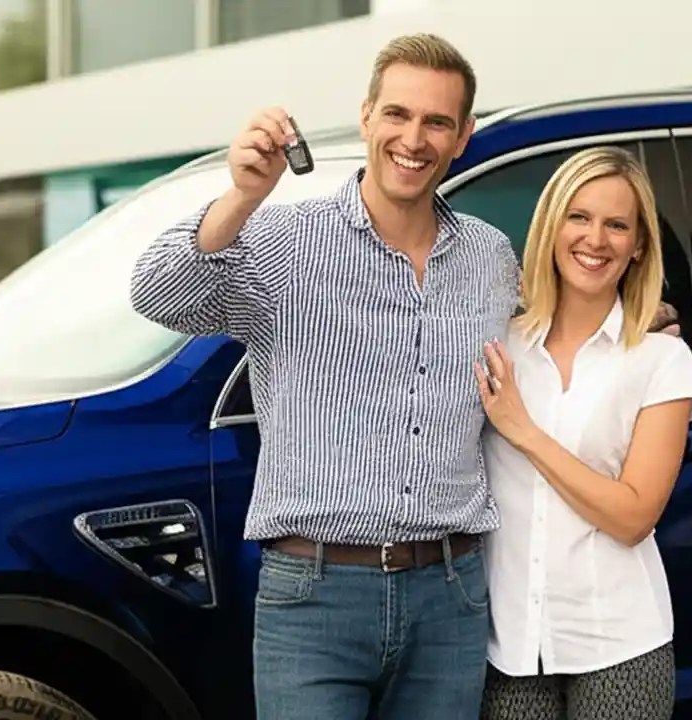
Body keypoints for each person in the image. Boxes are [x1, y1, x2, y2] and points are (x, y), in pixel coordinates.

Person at [130, 33, 514, 719]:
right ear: (366, 117)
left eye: (436, 122)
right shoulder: (285, 240)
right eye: (397, 114)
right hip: (314, 597)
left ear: (463, 138)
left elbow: (546, 342)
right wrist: (242, 197)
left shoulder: (490, 256)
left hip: (451, 597)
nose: (413, 138)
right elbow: (158, 293)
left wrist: (636, 326)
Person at [472, 146, 692, 720]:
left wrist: (524, 433)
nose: (595, 240)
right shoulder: (498, 341)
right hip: (509, 650)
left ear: (639, 246)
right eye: (579, 217)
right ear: (552, 226)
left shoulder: (660, 360)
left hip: (618, 644)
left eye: (616, 225)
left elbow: (633, 517)